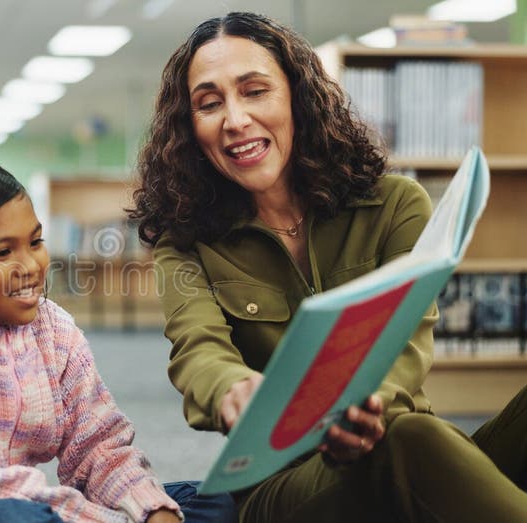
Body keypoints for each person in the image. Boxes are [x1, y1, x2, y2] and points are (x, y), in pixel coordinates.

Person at [130, 11, 527, 522]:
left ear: (297, 97)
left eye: (255, 91)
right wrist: (232, 390)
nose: (235, 119)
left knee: (410, 437)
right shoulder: (184, 241)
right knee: (410, 438)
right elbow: (197, 348)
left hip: (402, 441)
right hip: (284, 486)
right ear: (190, 127)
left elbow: (408, 346)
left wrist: (364, 411)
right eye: (209, 103)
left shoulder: (396, 204)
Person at [0, 156, 239, 523]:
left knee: (212, 500)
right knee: (14, 516)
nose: (31, 266)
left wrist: (153, 511)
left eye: (36, 242)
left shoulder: (52, 329)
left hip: (36, 506)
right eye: (2, 252)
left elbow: (99, 448)